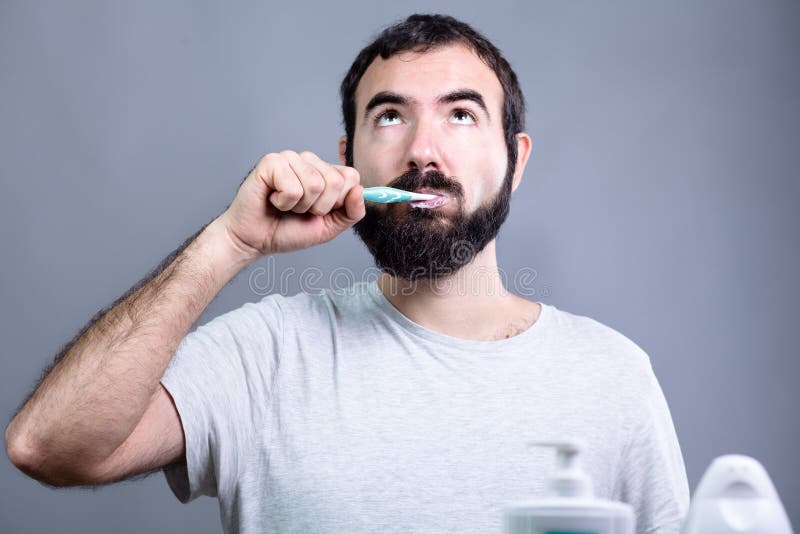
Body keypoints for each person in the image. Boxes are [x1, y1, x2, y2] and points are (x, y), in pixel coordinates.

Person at [5, 13, 689, 534]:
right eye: (390, 116)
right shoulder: (265, 353)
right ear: (348, 156)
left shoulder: (614, 376)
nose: (424, 151)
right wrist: (230, 242)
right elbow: (47, 446)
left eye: (460, 114)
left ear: (516, 158)